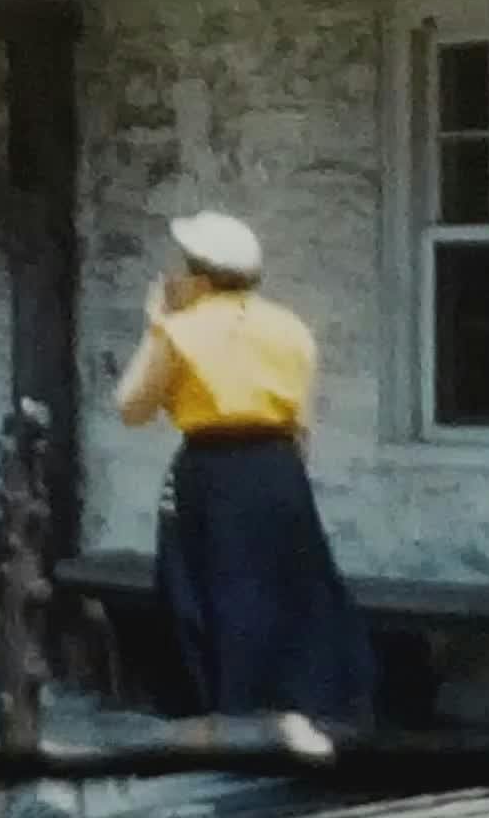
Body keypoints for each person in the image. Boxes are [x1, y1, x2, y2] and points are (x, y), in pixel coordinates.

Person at [113, 210, 375, 728]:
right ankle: (296, 711)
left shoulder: (180, 331)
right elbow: (302, 422)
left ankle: (213, 716)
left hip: (211, 468)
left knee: (197, 591)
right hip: (278, 469)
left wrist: (155, 327)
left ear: (199, 276)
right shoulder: (290, 328)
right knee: (285, 587)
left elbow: (130, 407)